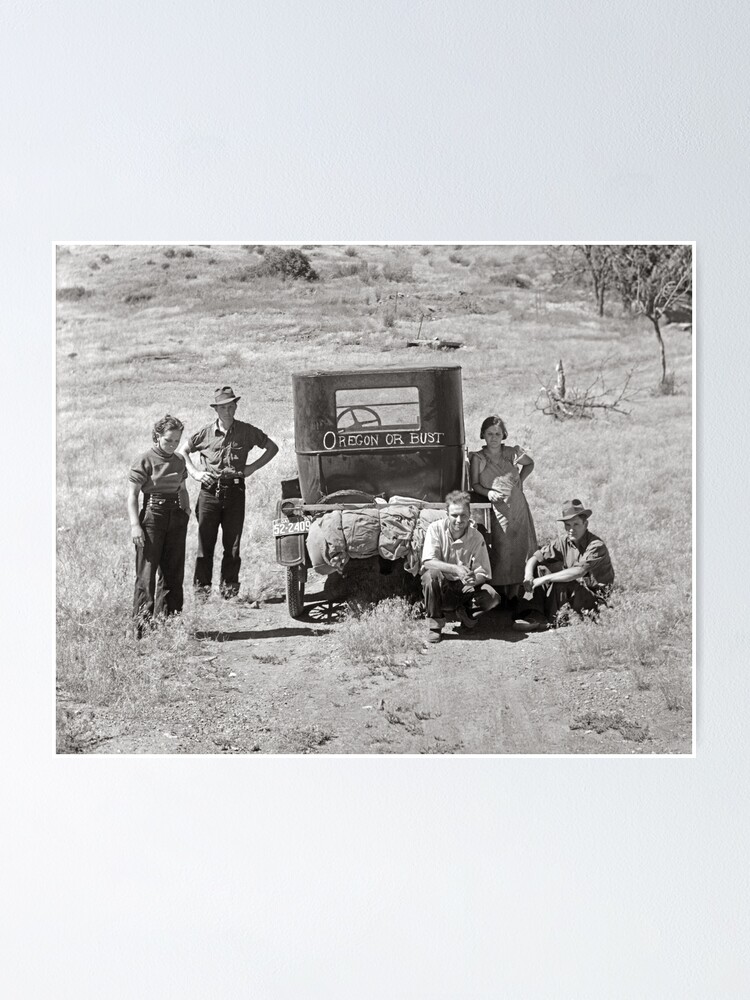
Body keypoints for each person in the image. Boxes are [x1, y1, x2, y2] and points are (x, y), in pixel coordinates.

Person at [179, 385, 278, 598]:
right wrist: (195, 473)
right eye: (223, 407)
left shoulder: (246, 431)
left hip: (235, 491)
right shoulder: (205, 433)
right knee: (205, 544)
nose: (227, 410)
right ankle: (202, 593)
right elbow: (183, 452)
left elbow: (272, 448)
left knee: (232, 545)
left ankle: (230, 592)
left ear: (235, 406)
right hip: (209, 492)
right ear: (216, 409)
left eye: (231, 406)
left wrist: (251, 468)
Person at [127, 414, 190, 637]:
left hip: (176, 516)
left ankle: (168, 622)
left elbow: (182, 489)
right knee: (146, 573)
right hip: (152, 517)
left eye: (176, 441)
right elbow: (133, 496)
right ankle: (141, 628)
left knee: (173, 571)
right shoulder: (144, 459)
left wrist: (186, 511)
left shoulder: (179, 461)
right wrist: (136, 525)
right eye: (168, 441)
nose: (172, 445)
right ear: (157, 437)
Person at [469, 415, 537, 603]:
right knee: (502, 548)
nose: (494, 437)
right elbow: (474, 484)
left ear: (503, 435)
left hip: (518, 506)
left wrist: (520, 481)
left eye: (498, 433)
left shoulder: (511, 452)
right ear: (483, 434)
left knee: (520, 547)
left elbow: (530, 463)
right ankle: (500, 593)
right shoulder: (478, 458)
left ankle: (516, 594)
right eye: (490, 433)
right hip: (498, 509)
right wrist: (488, 493)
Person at [518, 499, 615, 629]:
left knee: (563, 582)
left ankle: (551, 620)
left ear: (585, 524)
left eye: (576, 524)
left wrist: (544, 579)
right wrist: (528, 576)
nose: (571, 530)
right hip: (576, 592)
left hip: (595, 600)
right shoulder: (564, 541)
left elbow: (578, 572)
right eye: (567, 525)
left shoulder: (596, 545)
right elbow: (535, 557)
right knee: (541, 568)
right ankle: (535, 615)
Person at [420, 491, 500, 643]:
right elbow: (428, 562)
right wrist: (456, 569)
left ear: (470, 514)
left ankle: (467, 616)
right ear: (446, 514)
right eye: (454, 515)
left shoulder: (476, 537)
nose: (459, 520)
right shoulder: (435, 529)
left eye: (463, 515)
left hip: (463, 587)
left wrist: (473, 580)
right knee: (431, 575)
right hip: (442, 587)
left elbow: (483, 572)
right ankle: (435, 626)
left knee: (492, 597)